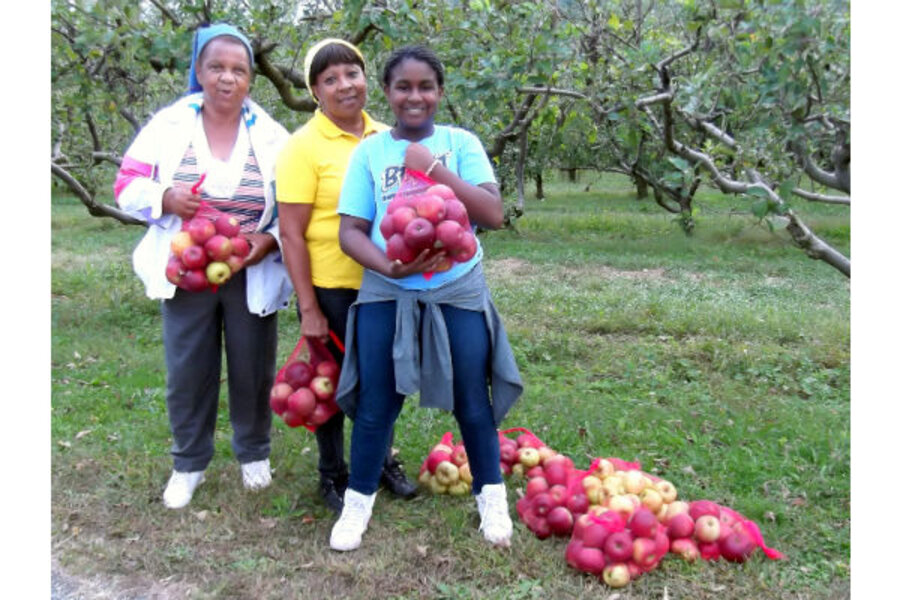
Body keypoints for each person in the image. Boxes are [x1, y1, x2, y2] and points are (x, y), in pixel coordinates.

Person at [330, 45, 524, 551]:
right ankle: (357, 505)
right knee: (377, 402)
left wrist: (435, 169)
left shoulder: (461, 143)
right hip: (387, 286)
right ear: (388, 93)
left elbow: (492, 213)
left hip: (456, 288)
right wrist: (386, 265)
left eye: (425, 87)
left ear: (439, 92)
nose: (414, 97)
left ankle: (492, 500)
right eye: (403, 87)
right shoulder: (369, 152)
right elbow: (350, 230)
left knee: (471, 401)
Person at [113, 23, 292, 509]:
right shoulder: (168, 126)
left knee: (253, 365)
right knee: (189, 365)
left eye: (238, 69)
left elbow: (294, 206)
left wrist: (268, 240)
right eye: (216, 67)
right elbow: (125, 185)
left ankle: (253, 454)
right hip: (187, 267)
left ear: (251, 78)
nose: (227, 78)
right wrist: (164, 197)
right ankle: (188, 463)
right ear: (198, 71)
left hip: (248, 267)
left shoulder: (274, 135)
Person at [275, 39, 416, 514]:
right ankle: (332, 472)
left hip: (387, 282)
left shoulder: (389, 138)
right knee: (332, 384)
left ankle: (380, 461)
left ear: (365, 78)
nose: (344, 86)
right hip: (332, 288)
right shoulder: (302, 147)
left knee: (384, 378)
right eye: (330, 79)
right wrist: (309, 307)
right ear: (315, 91)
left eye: (352, 74)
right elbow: (291, 234)